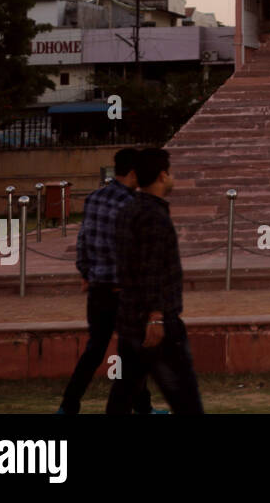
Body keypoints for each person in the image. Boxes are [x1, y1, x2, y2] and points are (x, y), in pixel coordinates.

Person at [57, 149, 154, 415]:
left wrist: (86, 273)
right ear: (133, 172)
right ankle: (142, 408)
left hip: (98, 289)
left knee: (95, 350)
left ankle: (69, 405)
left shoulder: (94, 198)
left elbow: (84, 239)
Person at [107, 148, 204, 414]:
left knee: (124, 393)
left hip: (129, 317)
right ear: (162, 175)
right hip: (154, 323)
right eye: (169, 173)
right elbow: (151, 270)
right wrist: (156, 316)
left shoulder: (129, 209)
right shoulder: (153, 216)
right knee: (184, 396)